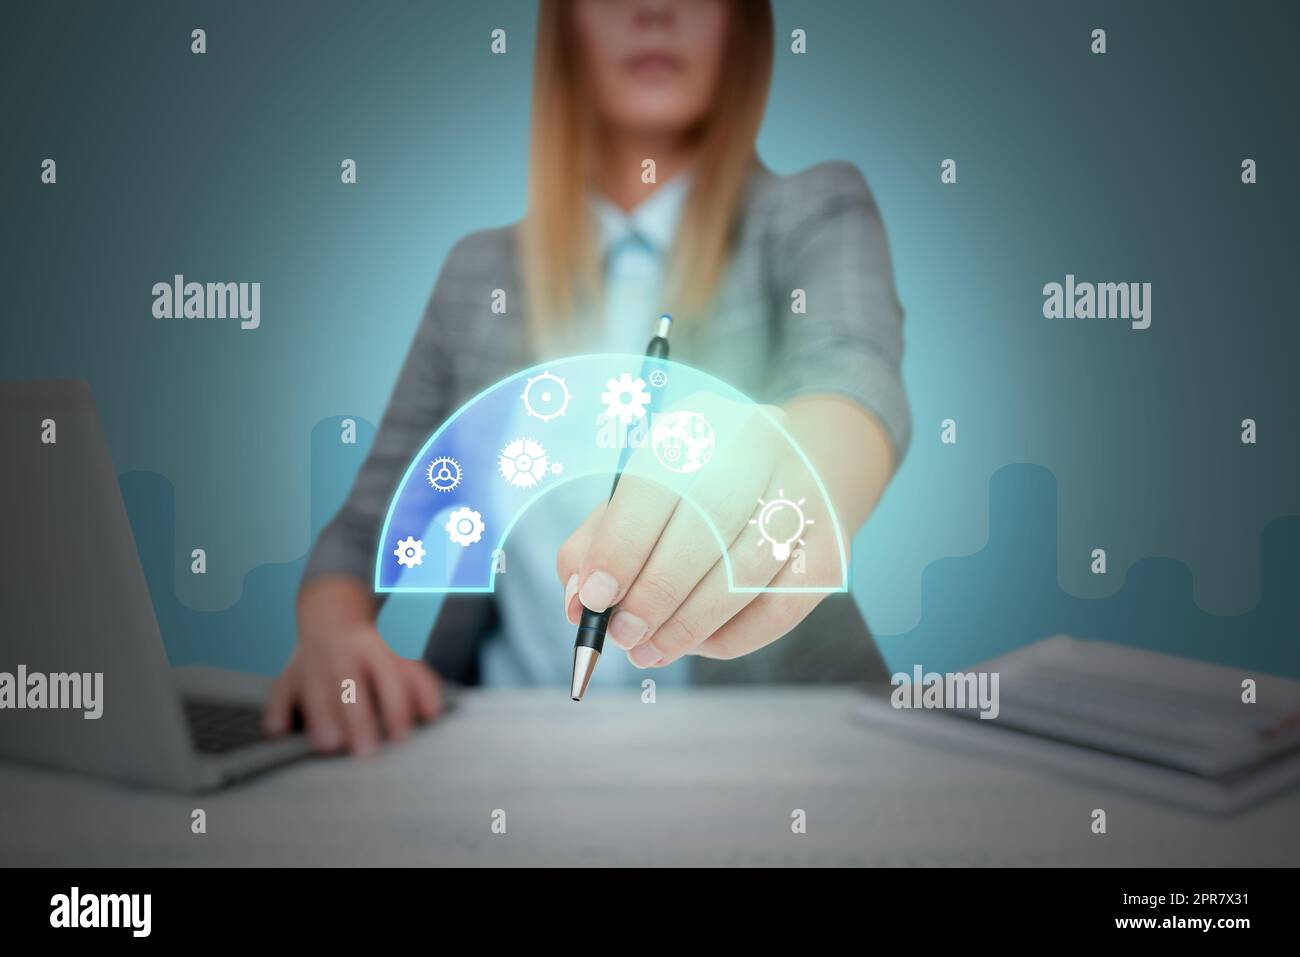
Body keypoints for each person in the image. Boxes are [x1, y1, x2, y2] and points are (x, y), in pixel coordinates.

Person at [264, 0, 910, 756]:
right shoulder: (479, 273)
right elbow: (365, 532)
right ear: (565, 23)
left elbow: (853, 381)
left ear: (742, 24)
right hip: (505, 756)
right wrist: (334, 631)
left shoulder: (813, 212)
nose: (654, 11)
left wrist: (802, 477)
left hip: (770, 762)